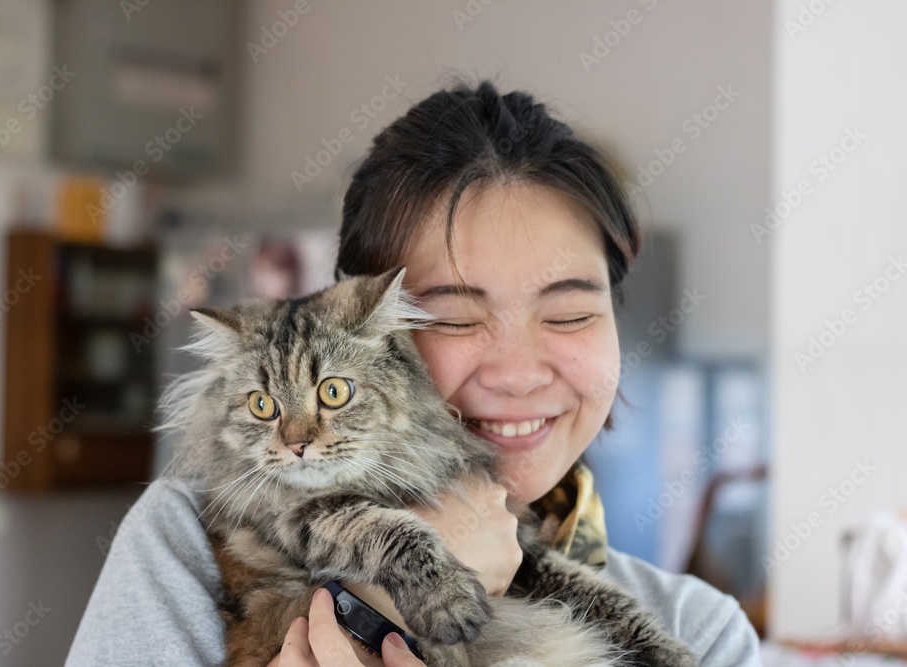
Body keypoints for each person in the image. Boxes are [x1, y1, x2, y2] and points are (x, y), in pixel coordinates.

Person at [65, 79, 762, 667]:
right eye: (452, 318)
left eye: (569, 313)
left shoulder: (702, 633)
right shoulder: (182, 547)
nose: (518, 374)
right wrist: (377, 605)